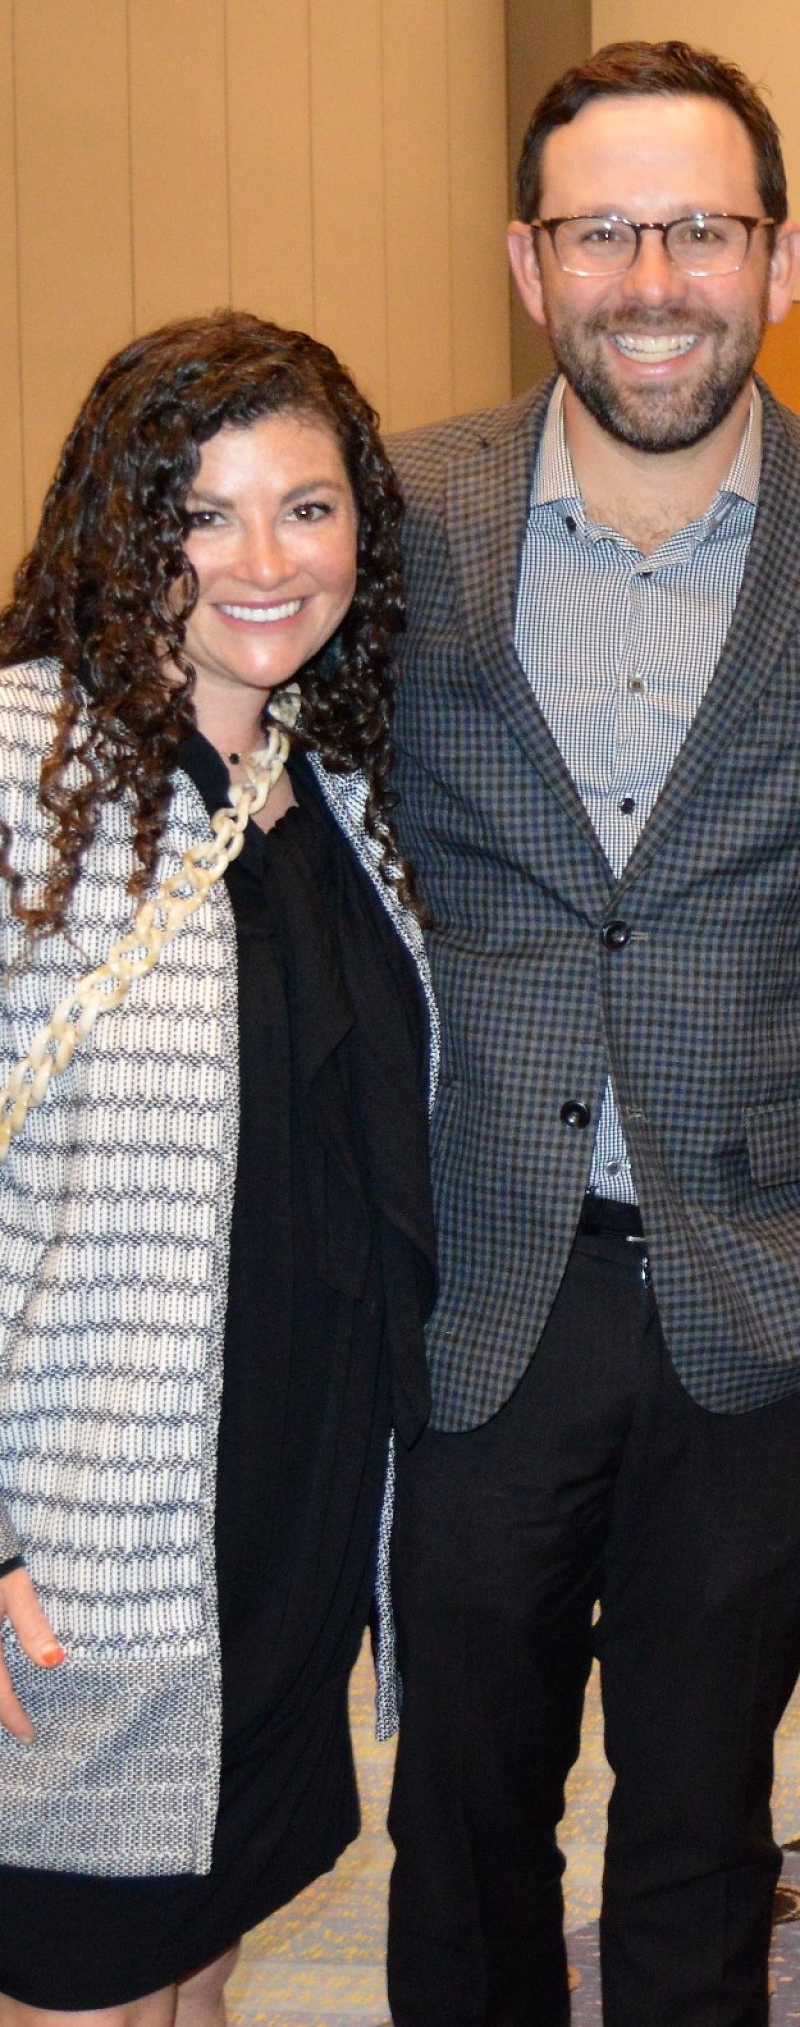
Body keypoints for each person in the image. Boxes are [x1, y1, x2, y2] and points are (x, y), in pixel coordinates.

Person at [381, 39, 800, 2027]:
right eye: (606, 229)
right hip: (471, 1289)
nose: (656, 275)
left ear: (780, 256)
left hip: (770, 1300)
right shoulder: (392, 518)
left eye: (703, 228)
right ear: (526, 255)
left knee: (702, 1813)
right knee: (463, 1806)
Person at [0, 317, 435, 2027]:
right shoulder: (25, 768)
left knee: (202, 1947)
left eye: (307, 509)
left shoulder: (316, 780)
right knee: (81, 1972)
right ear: (124, 527)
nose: (264, 561)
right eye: (206, 513)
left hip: (283, 1506)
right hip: (87, 1525)